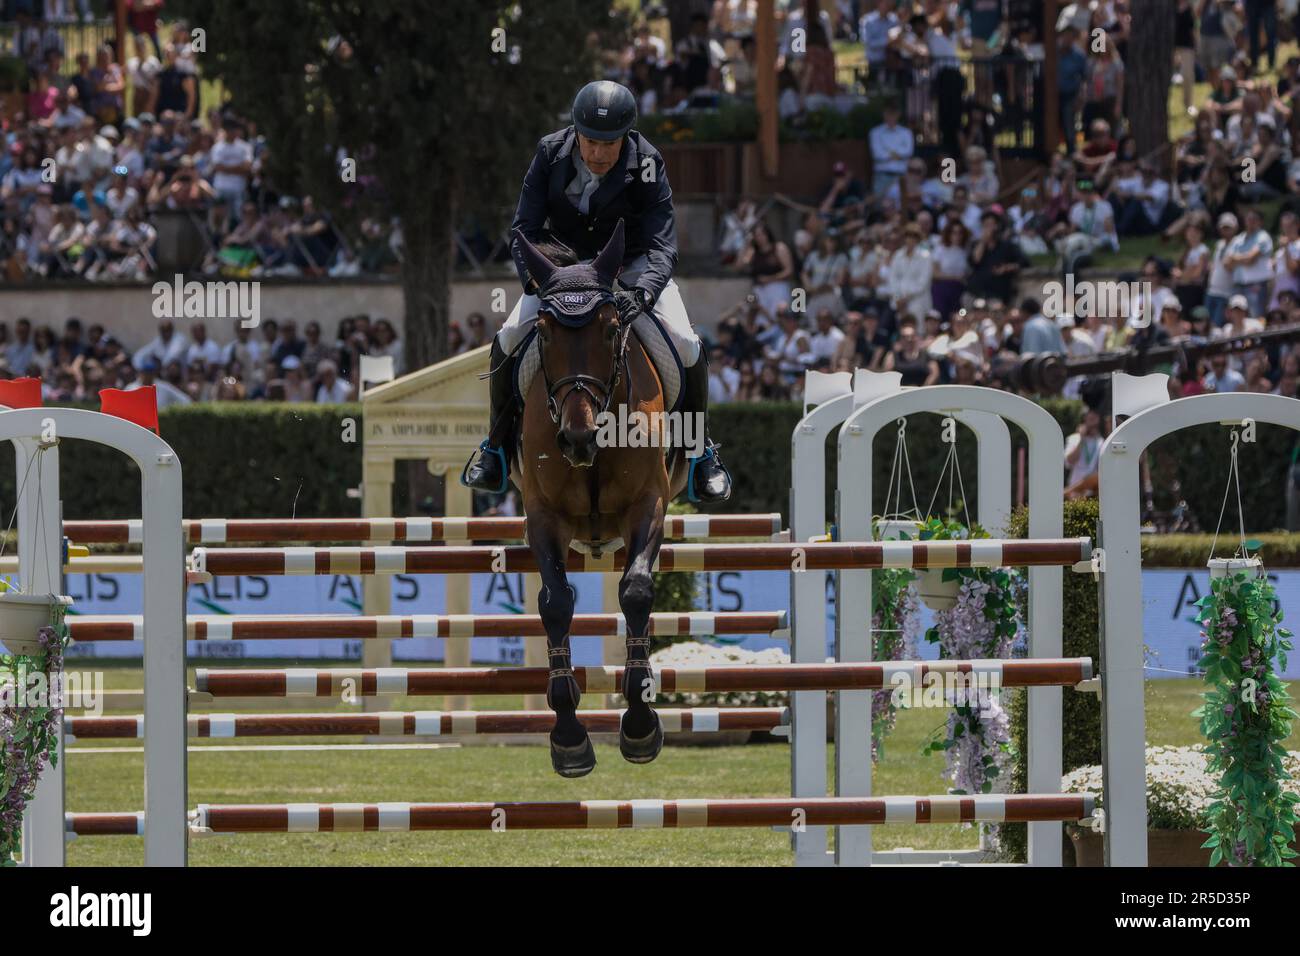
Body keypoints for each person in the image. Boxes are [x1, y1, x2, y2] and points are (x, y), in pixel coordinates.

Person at [461, 80, 730, 502]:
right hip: (564, 271)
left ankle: (701, 455)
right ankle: (494, 447)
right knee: (509, 336)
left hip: (632, 267)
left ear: (626, 137)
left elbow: (663, 245)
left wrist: (641, 294)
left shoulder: (647, 162)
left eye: (610, 144)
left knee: (686, 343)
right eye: (590, 142)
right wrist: (539, 281)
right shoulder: (550, 153)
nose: (599, 153)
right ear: (575, 133)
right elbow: (524, 230)